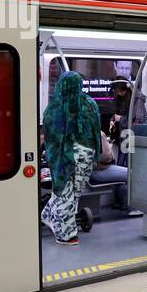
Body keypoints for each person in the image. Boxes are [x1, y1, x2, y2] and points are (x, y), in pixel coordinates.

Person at [40, 71, 101, 246]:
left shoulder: (53, 108)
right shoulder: (90, 103)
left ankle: (65, 233)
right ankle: (59, 224)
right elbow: (96, 130)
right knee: (74, 193)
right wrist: (95, 153)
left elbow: (51, 136)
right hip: (86, 154)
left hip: (62, 156)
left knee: (64, 192)